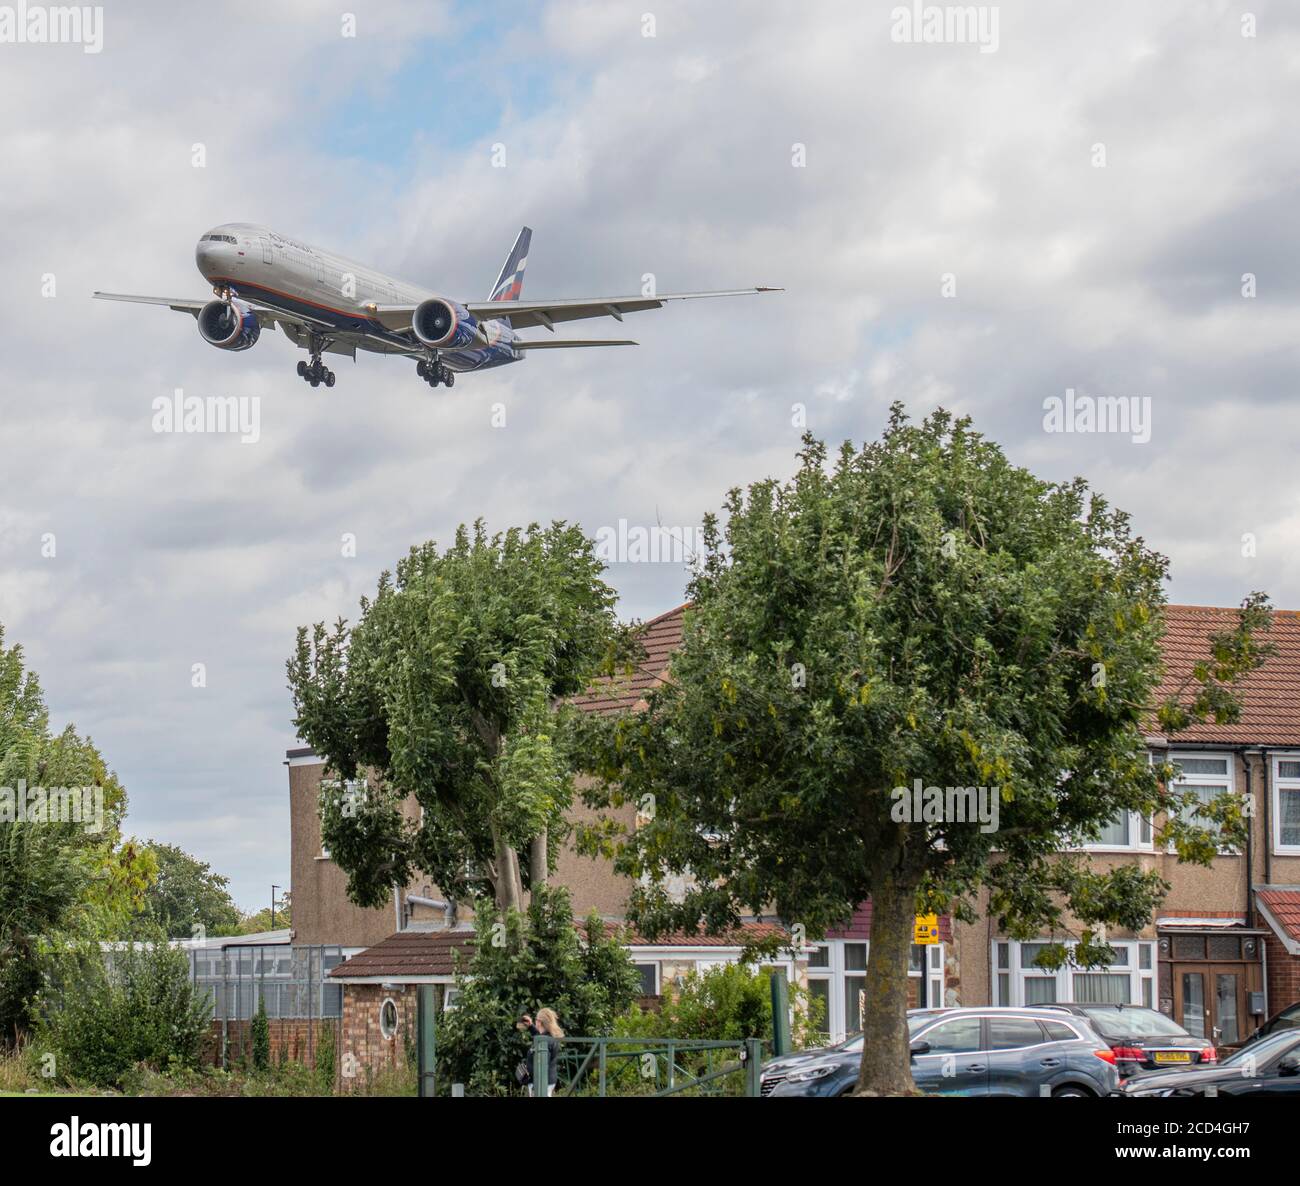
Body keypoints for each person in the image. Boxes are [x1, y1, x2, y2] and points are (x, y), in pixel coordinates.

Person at [516, 1008, 564, 1095]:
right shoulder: (547, 1037)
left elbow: (542, 1066)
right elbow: (539, 1037)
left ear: (539, 1022)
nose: (535, 1021)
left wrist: (535, 1086)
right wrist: (531, 1026)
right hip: (545, 1081)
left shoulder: (545, 1042)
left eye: (536, 1020)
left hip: (541, 1083)